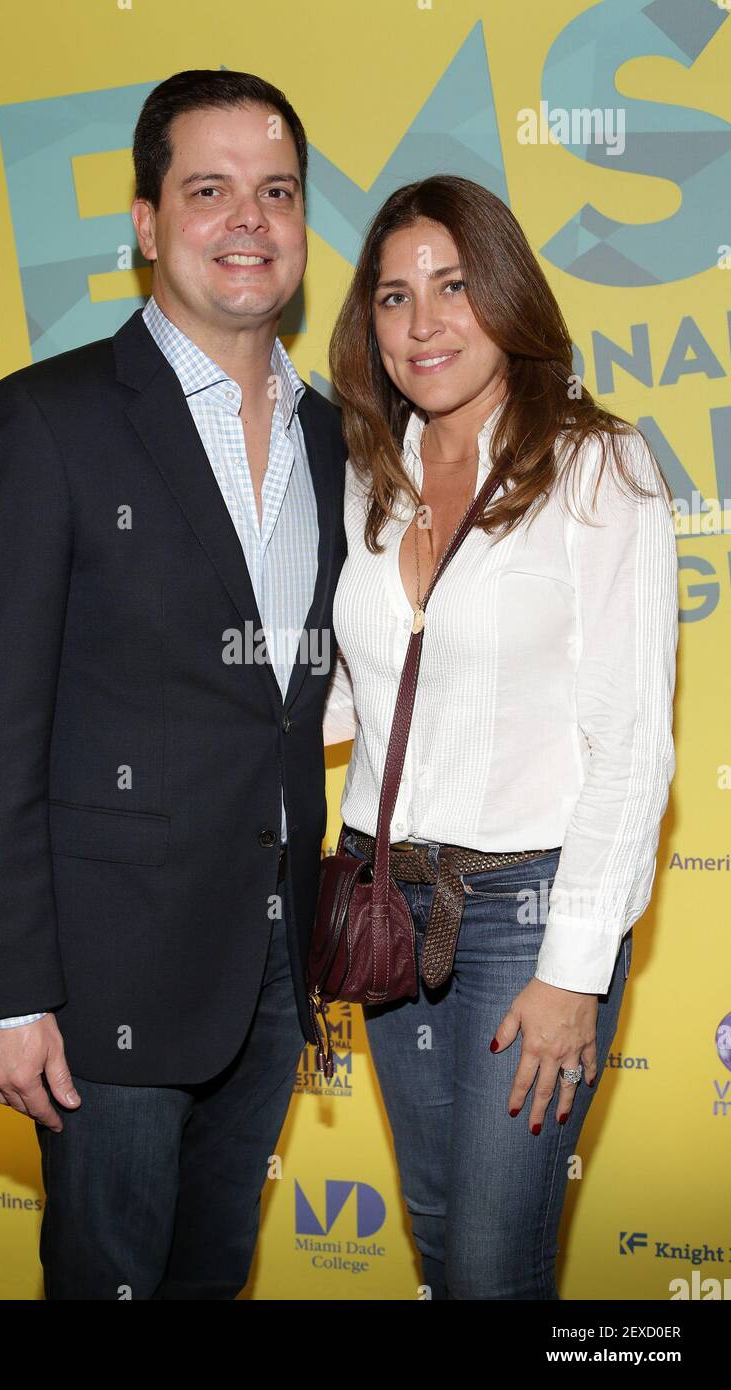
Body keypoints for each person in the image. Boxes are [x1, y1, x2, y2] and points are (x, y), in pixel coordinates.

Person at [0, 69, 346, 1300]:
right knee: (108, 1275)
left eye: (274, 191)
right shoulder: (43, 422)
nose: (246, 219)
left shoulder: (335, 436)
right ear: (146, 222)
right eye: (207, 188)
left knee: (213, 1271)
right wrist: (1, 985)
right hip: (101, 965)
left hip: (272, 952)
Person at [322, 174, 678, 1300]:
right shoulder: (365, 477)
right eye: (391, 296)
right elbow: (357, 694)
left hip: (524, 917)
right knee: (436, 1237)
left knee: (489, 1262)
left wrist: (572, 968)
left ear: (508, 297)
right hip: (383, 903)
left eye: (453, 286)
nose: (421, 323)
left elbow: (629, 743)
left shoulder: (596, 467)